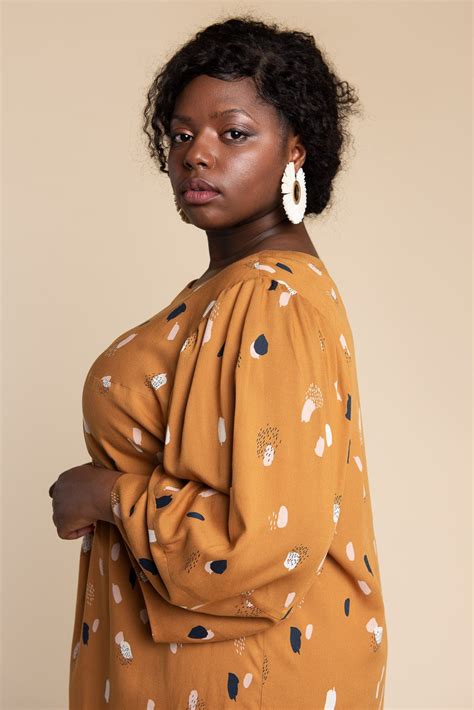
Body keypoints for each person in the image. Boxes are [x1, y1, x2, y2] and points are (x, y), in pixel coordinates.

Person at [49, 14, 388, 709]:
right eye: (181, 135)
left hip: (243, 675)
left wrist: (103, 494)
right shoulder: (235, 289)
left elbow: (264, 543)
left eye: (233, 133)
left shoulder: (269, 298)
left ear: (296, 151)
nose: (196, 155)